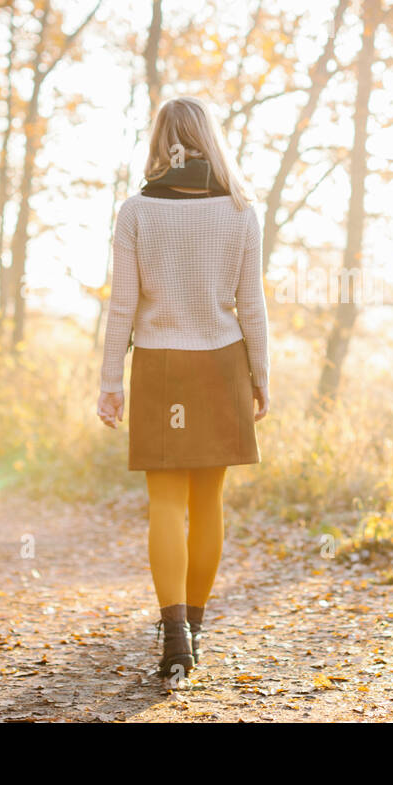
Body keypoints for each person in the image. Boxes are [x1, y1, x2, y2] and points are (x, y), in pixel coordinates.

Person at [97, 96, 270, 683]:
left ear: (160, 140)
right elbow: (253, 306)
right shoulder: (242, 211)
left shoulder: (136, 212)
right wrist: (260, 376)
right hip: (222, 365)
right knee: (208, 504)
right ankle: (193, 627)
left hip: (160, 367)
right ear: (210, 139)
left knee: (166, 504)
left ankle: (174, 636)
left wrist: (108, 381)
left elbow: (122, 305)